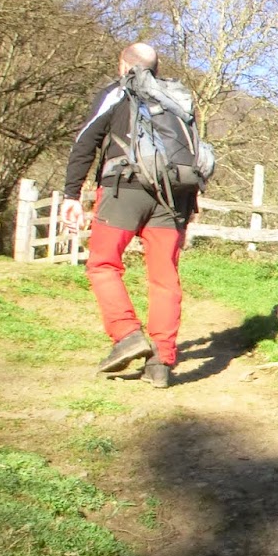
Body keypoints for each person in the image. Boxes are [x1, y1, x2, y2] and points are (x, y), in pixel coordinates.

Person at [59, 42, 197, 388]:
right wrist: (190, 206)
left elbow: (85, 142)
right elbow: (191, 154)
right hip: (172, 198)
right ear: (156, 67)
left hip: (124, 189)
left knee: (102, 264)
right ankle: (162, 361)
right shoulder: (177, 100)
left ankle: (126, 334)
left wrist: (71, 194)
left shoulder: (117, 92)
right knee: (164, 277)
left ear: (123, 65)